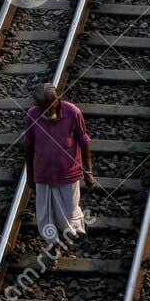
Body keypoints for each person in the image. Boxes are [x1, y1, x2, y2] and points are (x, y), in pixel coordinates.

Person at [21, 83, 95, 243]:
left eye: (49, 107)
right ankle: (53, 243)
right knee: (45, 213)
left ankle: (75, 233)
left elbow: (83, 141)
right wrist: (30, 175)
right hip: (43, 172)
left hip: (68, 172)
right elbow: (28, 146)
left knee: (70, 210)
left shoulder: (73, 113)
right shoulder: (33, 115)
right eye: (42, 108)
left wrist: (88, 172)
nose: (46, 111)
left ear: (57, 101)